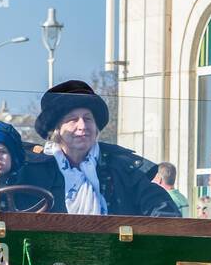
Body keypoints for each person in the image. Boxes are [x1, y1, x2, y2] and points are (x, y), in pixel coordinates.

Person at [35, 80, 178, 217]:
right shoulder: (36, 169)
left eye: (88, 118)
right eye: (72, 119)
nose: (83, 126)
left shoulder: (124, 167)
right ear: (57, 130)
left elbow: (162, 209)